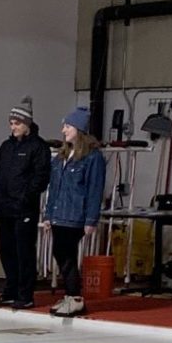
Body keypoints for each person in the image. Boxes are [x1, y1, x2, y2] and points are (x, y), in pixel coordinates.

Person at [41, 107, 106, 318]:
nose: (63, 130)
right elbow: (54, 188)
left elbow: (95, 189)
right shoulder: (60, 157)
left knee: (65, 254)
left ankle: (75, 296)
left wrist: (91, 219)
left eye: (68, 126)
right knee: (60, 253)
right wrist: (49, 214)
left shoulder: (92, 158)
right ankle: (71, 295)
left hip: (76, 215)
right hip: (59, 213)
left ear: (79, 129)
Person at [0, 97, 50, 310]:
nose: (13, 127)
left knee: (24, 252)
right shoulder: (6, 147)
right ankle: (10, 290)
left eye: (17, 123)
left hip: (24, 209)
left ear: (27, 124)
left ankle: (26, 294)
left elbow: (40, 178)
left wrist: (25, 198)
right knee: (6, 251)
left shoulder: (38, 147)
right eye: (11, 123)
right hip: (4, 208)